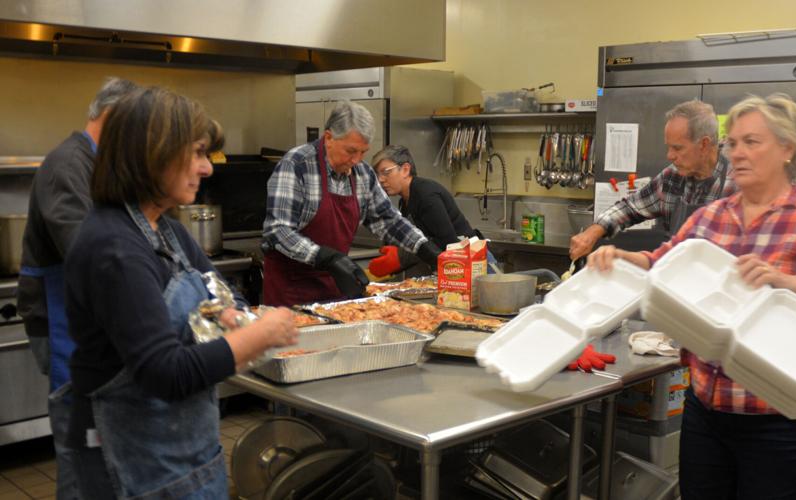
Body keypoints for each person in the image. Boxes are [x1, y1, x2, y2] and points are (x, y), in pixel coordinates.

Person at [587, 93, 796, 499]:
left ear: (787, 148)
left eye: (753, 142)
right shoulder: (712, 216)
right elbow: (664, 261)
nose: (739, 153)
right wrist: (622, 256)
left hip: (779, 418)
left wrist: (794, 283)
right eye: (733, 143)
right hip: (707, 411)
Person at [64, 87, 298, 499]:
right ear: (151, 154)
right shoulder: (116, 247)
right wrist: (257, 335)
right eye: (197, 153)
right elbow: (165, 373)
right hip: (135, 463)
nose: (207, 169)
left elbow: (222, 293)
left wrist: (231, 316)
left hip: (186, 457)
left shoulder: (166, 229)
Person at [16, 76, 138, 500]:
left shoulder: (105, 165)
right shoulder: (67, 165)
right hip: (64, 319)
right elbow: (88, 252)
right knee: (78, 444)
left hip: (92, 322)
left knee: (100, 441)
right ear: (113, 118)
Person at [262, 101, 441, 305]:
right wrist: (324, 257)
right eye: (351, 151)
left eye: (363, 152)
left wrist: (423, 247)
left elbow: (388, 220)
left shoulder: (362, 174)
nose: (357, 160)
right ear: (329, 138)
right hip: (291, 291)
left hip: (335, 289)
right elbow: (278, 231)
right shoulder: (296, 165)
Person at [569, 99, 736, 261]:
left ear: (704, 144)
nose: (669, 156)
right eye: (668, 147)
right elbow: (631, 208)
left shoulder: (737, 182)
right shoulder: (671, 178)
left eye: (677, 148)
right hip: (673, 277)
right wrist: (593, 231)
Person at [367, 144, 497, 277]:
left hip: (474, 263)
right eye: (377, 174)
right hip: (453, 267)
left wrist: (402, 257)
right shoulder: (405, 201)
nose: (381, 179)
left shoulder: (425, 195)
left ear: (405, 169)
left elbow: (448, 243)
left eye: (386, 172)